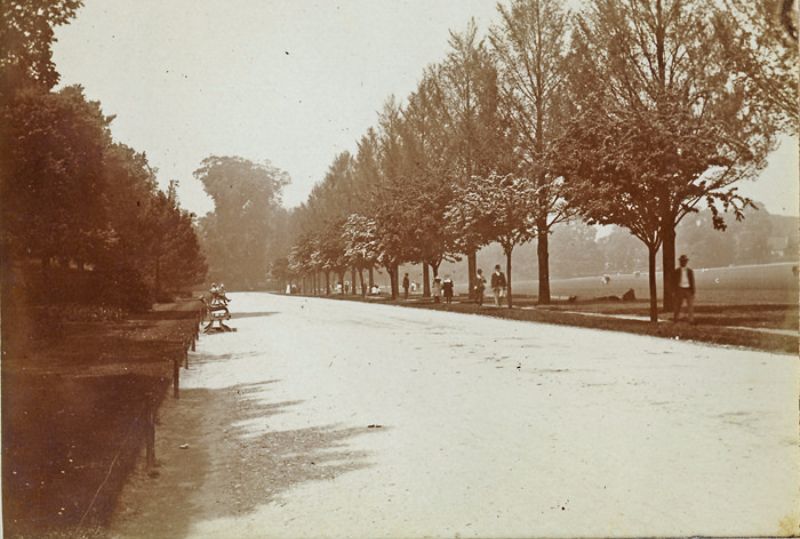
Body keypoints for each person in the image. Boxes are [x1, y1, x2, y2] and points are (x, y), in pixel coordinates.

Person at [673, 254, 695, 323]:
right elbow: (673, 282)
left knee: (690, 305)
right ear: (680, 262)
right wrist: (674, 291)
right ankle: (675, 319)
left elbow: (692, 281)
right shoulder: (676, 271)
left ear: (686, 262)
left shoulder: (690, 271)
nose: (683, 262)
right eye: (682, 261)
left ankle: (691, 320)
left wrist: (693, 291)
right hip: (680, 289)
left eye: (685, 261)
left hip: (688, 289)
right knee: (678, 305)